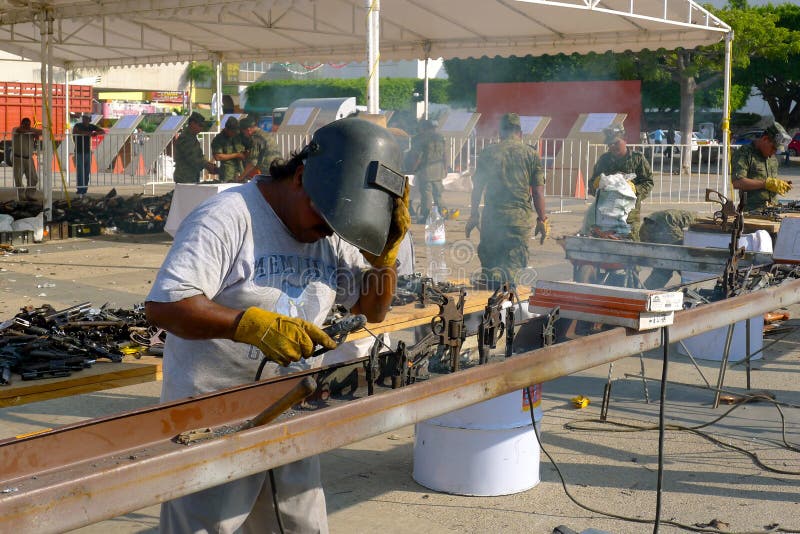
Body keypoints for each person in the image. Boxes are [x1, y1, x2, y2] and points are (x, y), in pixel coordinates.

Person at [145, 118, 409, 534]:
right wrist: (245, 324)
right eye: (323, 221)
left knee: (298, 525)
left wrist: (385, 260)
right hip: (210, 417)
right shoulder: (228, 217)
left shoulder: (331, 225)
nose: (325, 234)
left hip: (291, 409)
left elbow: (371, 308)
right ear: (301, 177)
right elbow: (164, 305)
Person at [465, 113, 549, 287]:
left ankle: (488, 310)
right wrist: (542, 219)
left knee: (490, 272)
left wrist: (473, 215)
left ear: (500, 132)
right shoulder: (531, 155)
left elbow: (477, 188)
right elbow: (538, 193)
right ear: (520, 132)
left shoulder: (488, 152)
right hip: (518, 221)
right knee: (513, 271)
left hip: (492, 219)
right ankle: (510, 307)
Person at [589, 126, 653, 240]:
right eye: (609, 144)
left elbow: (648, 182)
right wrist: (597, 185)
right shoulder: (604, 160)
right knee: (606, 248)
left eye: (615, 143)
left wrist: (634, 189)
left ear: (625, 139)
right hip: (605, 216)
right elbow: (592, 183)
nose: (612, 147)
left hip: (629, 215)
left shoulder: (637, 159)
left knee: (630, 247)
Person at [731, 122, 793, 212]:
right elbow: (737, 182)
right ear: (765, 139)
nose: (774, 152)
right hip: (751, 212)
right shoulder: (745, 154)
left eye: (777, 150)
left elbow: (771, 182)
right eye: (773, 148)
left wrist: (779, 184)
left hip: (773, 210)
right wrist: (766, 184)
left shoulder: (772, 159)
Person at [639, 209, 697, 289]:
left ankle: (648, 290)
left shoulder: (688, 217)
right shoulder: (697, 223)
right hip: (664, 224)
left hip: (647, 224)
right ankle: (687, 289)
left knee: (664, 262)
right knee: (674, 260)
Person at [409, 118, 447, 222]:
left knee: (427, 195)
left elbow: (419, 156)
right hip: (439, 170)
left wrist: (413, 169)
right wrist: (446, 167)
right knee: (438, 193)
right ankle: (443, 213)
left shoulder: (422, 138)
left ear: (425, 127)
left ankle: (426, 217)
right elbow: (445, 154)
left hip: (426, 171)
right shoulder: (441, 137)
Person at [172, 111, 218, 184]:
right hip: (185, 177)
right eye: (200, 125)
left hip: (191, 175)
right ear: (192, 124)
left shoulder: (191, 137)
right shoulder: (186, 138)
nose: (201, 128)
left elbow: (198, 155)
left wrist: (209, 164)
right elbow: (193, 157)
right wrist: (207, 165)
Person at [239, 116, 281, 181]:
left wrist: (241, 177)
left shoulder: (256, 138)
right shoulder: (265, 134)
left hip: (269, 171)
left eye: (243, 132)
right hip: (279, 167)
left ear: (248, 130)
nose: (244, 135)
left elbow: (252, 162)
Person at [11, 117, 42, 200]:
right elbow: (20, 131)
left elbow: (41, 132)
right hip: (18, 157)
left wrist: (34, 132)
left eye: (28, 124)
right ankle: (21, 196)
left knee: (34, 178)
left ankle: (29, 194)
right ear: (21, 124)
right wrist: (33, 133)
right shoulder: (15, 129)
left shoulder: (31, 130)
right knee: (18, 178)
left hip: (28, 158)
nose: (27, 126)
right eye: (25, 124)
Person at [72, 113, 102, 196]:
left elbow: (101, 131)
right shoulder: (78, 125)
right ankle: (80, 189)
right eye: (84, 118)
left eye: (86, 118)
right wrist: (89, 133)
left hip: (87, 152)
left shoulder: (91, 126)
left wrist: (95, 133)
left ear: (89, 120)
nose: (84, 120)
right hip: (79, 151)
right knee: (80, 171)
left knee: (86, 171)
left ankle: (84, 189)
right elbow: (76, 131)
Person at [211, 116, 248, 182]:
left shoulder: (238, 136)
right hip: (228, 174)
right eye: (232, 131)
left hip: (242, 172)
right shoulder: (218, 139)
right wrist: (237, 155)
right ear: (226, 129)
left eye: (236, 131)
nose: (234, 133)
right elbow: (218, 157)